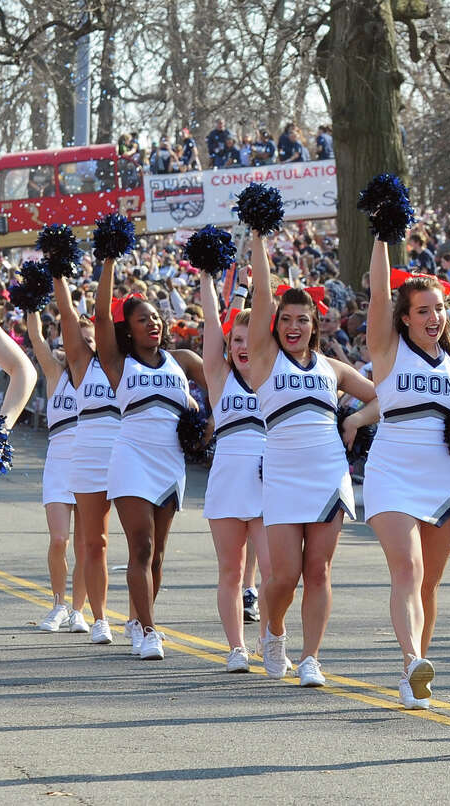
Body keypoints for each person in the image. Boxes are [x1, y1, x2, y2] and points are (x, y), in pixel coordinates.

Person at [362, 238, 450, 710]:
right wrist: (383, 236)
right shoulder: (386, 349)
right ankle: (410, 662)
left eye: (439, 308)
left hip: (444, 475)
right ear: (404, 317)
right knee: (408, 568)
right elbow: (380, 290)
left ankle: (418, 666)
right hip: (392, 469)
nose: (433, 317)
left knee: (429, 583)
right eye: (422, 310)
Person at [246, 232, 379, 687]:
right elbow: (262, 294)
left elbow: (384, 397)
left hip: (327, 470)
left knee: (318, 570)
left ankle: (310, 658)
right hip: (283, 473)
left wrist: (355, 420)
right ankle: (275, 633)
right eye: (286, 319)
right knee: (283, 575)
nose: (294, 326)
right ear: (276, 324)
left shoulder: (332, 368)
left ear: (314, 324)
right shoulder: (264, 360)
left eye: (302, 319)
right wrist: (259, 236)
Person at [95, 254, 208, 661]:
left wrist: (204, 424)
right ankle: (148, 629)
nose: (153, 322)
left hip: (171, 461)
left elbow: (227, 385)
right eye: (143, 319)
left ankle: (140, 617)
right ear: (130, 329)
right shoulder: (118, 364)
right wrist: (108, 261)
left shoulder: (182, 361)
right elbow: (101, 321)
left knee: (158, 554)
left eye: (156, 316)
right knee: (140, 548)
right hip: (132, 458)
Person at [198, 269, 270, 673]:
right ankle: (236, 648)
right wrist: (209, 277)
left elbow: (270, 315)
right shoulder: (220, 377)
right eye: (236, 340)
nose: (243, 346)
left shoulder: (274, 378)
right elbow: (212, 321)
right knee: (229, 569)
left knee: (273, 571)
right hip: (227, 480)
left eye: (250, 339)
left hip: (266, 480)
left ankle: (269, 641)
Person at [53, 275, 117, 645]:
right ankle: (101, 619)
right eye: (83, 338)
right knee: (96, 543)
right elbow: (66, 313)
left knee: (145, 545)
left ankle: (143, 624)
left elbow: (104, 315)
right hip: (89, 454)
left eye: (93, 337)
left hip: (128, 451)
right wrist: (60, 273)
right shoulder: (79, 365)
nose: (88, 342)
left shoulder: (123, 363)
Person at [25, 310, 89, 636]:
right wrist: (32, 302)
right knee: (59, 539)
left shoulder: (104, 378)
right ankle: (58, 605)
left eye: (89, 341)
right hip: (59, 464)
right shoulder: (55, 374)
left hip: (91, 465)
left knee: (85, 544)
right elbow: (36, 339)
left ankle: (79, 610)